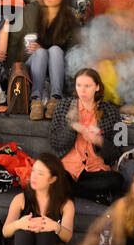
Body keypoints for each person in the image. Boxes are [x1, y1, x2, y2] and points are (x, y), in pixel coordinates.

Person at [49, 68, 125, 203]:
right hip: (68, 168)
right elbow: (55, 142)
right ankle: (96, 195)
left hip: (95, 170)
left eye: (87, 86)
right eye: (79, 85)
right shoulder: (63, 106)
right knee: (55, 177)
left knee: (117, 180)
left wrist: (99, 141)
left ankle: (71, 190)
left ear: (97, 87)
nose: (82, 90)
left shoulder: (112, 112)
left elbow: (119, 150)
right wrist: (72, 127)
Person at [3, 154, 76, 245]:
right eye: (34, 171)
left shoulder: (65, 204)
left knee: (46, 234)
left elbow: (67, 237)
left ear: (53, 179)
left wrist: (55, 226)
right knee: (23, 232)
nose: (34, 176)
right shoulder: (20, 199)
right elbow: (5, 231)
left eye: (40, 174)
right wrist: (20, 224)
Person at [20, 0, 80, 120]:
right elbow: (18, 44)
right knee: (40, 53)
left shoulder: (70, 18)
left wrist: (49, 50)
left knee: (55, 50)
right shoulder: (33, 11)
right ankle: (36, 100)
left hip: (57, 67)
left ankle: (55, 99)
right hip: (34, 63)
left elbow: (74, 52)